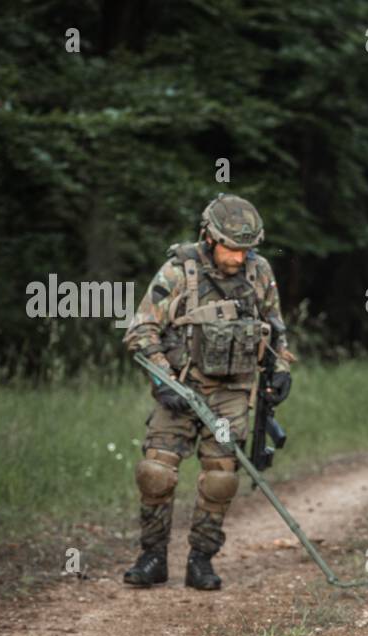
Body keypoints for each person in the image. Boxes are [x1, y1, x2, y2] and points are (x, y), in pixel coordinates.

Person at [120, 194, 293, 590]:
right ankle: (152, 557)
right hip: (181, 384)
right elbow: (140, 331)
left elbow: (276, 329)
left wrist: (281, 370)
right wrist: (164, 380)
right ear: (210, 238)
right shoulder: (179, 271)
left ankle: (201, 560)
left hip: (231, 393)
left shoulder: (259, 273)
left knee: (220, 478)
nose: (238, 257)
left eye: (246, 249)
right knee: (156, 472)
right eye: (232, 247)